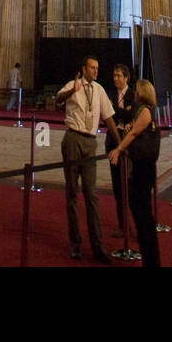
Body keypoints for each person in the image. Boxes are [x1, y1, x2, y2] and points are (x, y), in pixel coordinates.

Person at [56, 55, 120, 263]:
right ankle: (76, 244)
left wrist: (120, 143)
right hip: (73, 138)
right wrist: (71, 91)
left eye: (97, 68)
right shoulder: (72, 85)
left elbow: (108, 117)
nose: (95, 71)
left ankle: (98, 246)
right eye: (92, 67)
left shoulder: (100, 90)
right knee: (72, 192)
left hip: (91, 141)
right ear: (83, 68)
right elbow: (57, 99)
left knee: (91, 194)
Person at [109, 77, 161, 267]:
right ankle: (149, 257)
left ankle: (152, 260)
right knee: (140, 208)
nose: (135, 93)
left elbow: (133, 134)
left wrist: (119, 149)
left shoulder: (146, 111)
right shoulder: (144, 112)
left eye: (138, 90)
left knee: (142, 211)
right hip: (142, 167)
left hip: (144, 168)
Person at [109, 62, 135, 234]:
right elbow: (109, 115)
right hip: (112, 143)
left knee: (131, 184)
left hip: (130, 145)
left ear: (126, 78)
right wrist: (123, 112)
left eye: (119, 76)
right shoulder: (110, 95)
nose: (115, 79)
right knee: (117, 186)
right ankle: (123, 225)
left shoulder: (134, 95)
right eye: (114, 75)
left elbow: (131, 115)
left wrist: (121, 113)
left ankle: (137, 224)